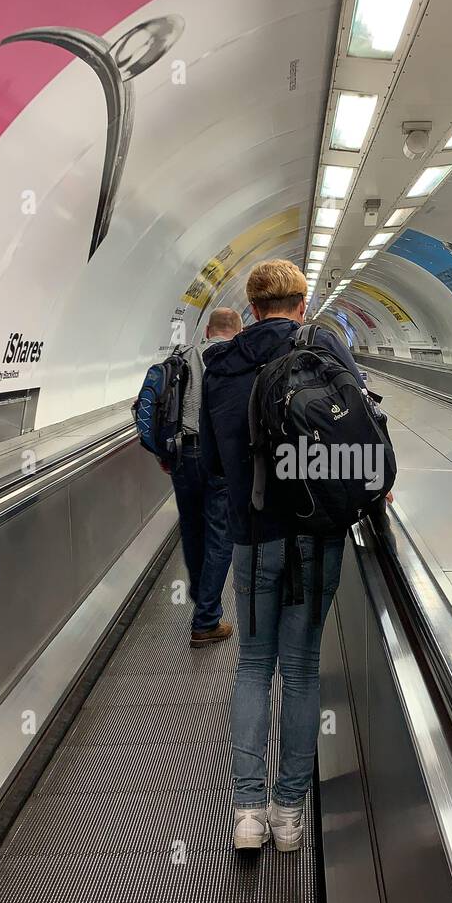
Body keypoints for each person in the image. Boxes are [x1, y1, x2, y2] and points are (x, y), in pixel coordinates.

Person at [199, 259, 376, 852]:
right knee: (299, 671)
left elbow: (213, 467)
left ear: (250, 310)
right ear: (302, 305)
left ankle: (246, 813)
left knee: (253, 663)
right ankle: (288, 815)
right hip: (317, 533)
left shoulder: (220, 365)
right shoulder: (321, 346)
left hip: (253, 537)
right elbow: (363, 427)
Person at [165, 307, 241, 647]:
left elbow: (157, 405)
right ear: (238, 331)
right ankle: (206, 618)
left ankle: (202, 597)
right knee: (220, 535)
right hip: (219, 458)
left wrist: (164, 454)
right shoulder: (237, 357)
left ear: (207, 329)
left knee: (192, 529)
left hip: (183, 453)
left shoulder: (181, 355)